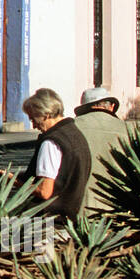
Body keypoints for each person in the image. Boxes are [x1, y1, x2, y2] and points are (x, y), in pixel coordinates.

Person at [13, 88, 92, 222]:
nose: (33, 125)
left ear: (46, 114)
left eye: (34, 119)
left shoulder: (51, 143)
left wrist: (12, 180)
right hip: (70, 215)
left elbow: (44, 192)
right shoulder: (74, 133)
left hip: (48, 220)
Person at [72, 87, 130, 213]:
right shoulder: (127, 129)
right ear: (112, 106)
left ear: (84, 108)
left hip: (79, 208)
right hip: (117, 209)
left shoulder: (71, 127)